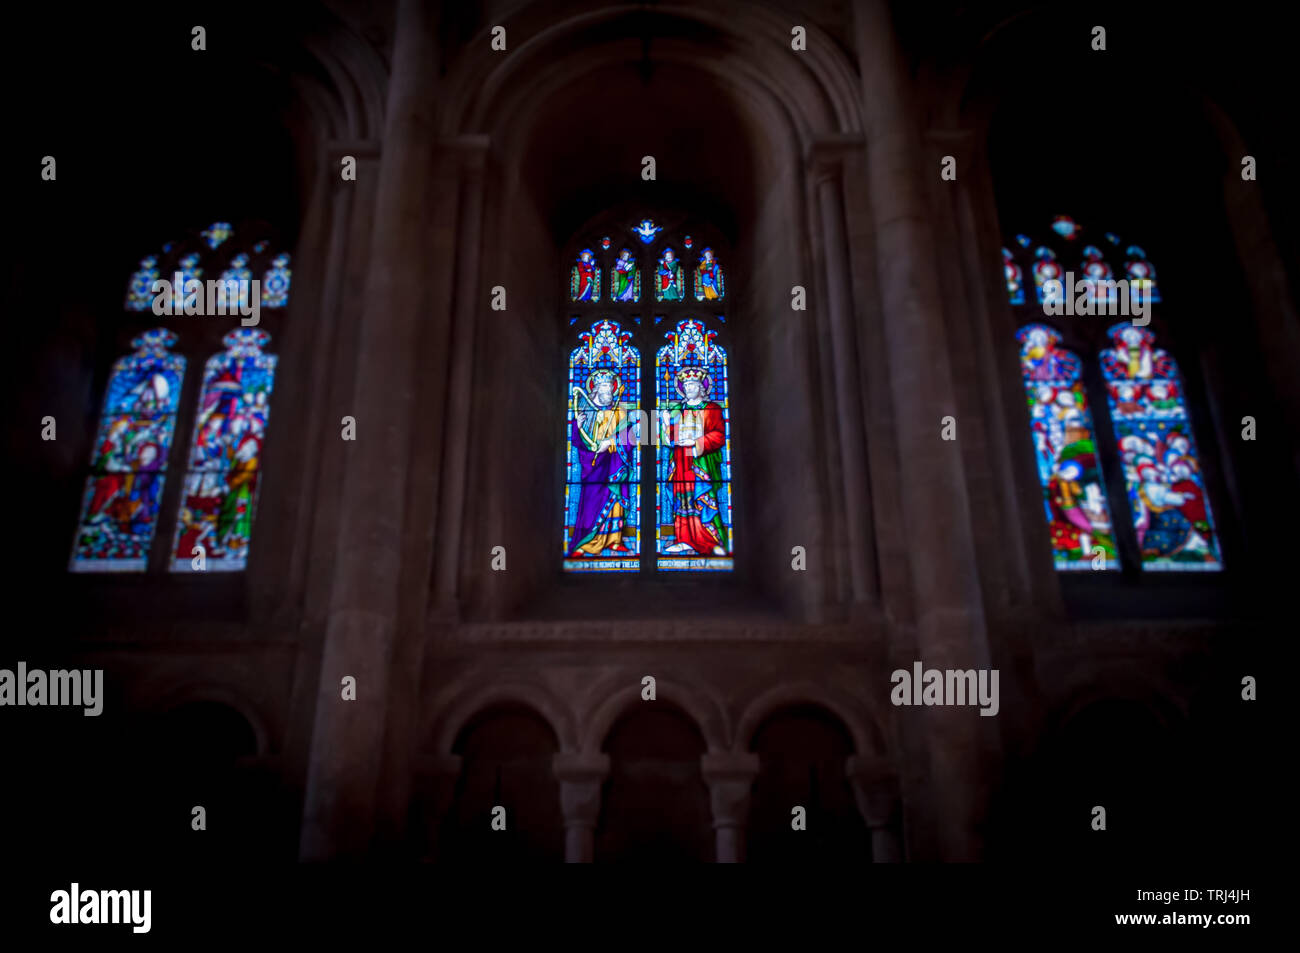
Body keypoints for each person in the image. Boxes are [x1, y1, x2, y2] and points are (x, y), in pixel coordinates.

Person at [659, 368, 727, 556]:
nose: (689, 388)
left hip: (701, 463)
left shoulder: (712, 409)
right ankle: (684, 541)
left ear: (701, 387)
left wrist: (696, 442)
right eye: (686, 385)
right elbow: (667, 439)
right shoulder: (676, 410)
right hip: (681, 463)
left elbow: (719, 436)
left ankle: (712, 542)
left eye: (693, 385)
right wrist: (665, 423)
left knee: (702, 500)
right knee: (683, 502)